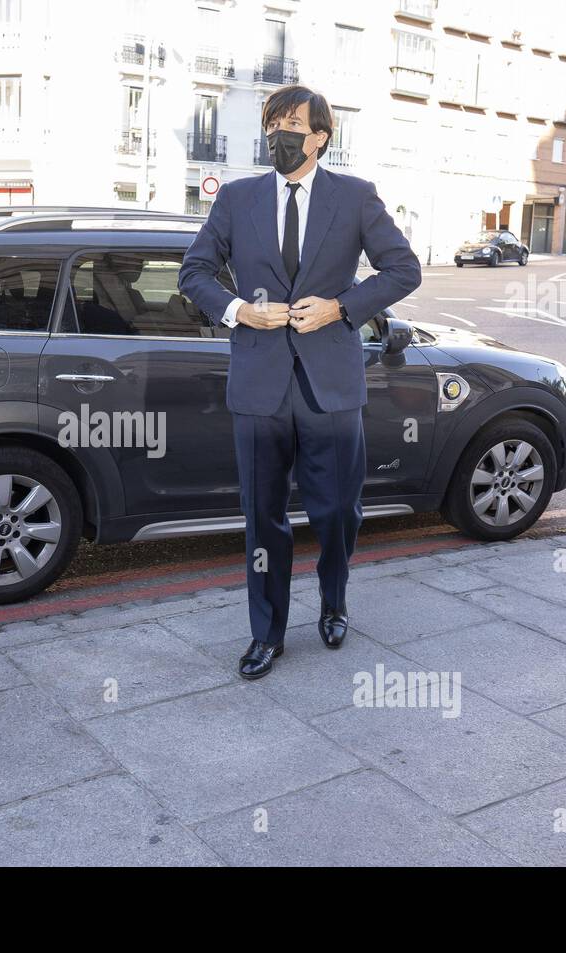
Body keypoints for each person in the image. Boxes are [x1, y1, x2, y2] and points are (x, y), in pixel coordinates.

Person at [179, 85, 421, 679]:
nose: (278, 135)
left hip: (329, 384)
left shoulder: (355, 197)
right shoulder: (237, 198)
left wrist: (341, 307)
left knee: (337, 510)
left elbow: (403, 268)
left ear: (319, 137)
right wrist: (239, 310)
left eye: (290, 125)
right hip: (259, 384)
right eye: (272, 124)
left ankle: (334, 600)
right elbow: (194, 272)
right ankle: (267, 633)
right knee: (263, 516)